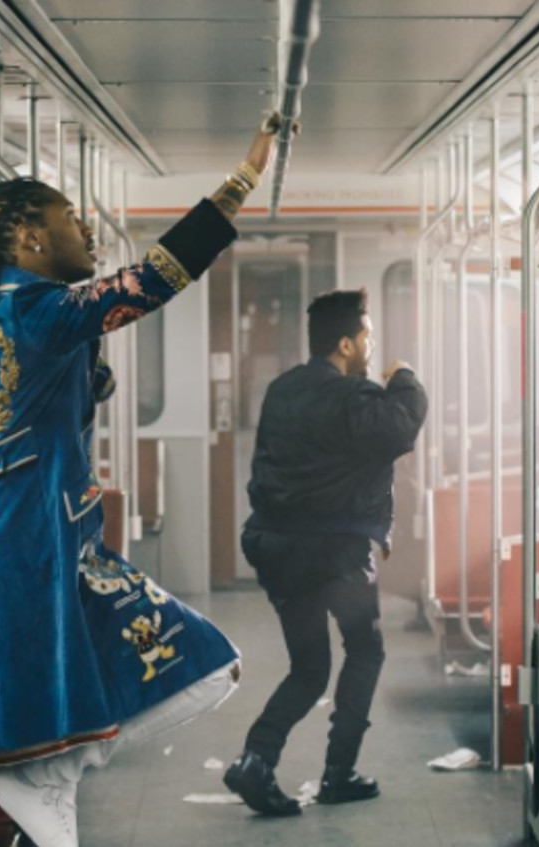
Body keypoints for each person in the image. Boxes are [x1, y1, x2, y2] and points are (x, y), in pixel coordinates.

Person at [0, 115, 284, 847]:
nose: (88, 230)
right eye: (70, 219)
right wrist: (241, 180)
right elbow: (153, 278)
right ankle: (41, 782)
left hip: (23, 528)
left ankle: (53, 776)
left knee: (192, 661)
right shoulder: (35, 312)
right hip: (26, 535)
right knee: (185, 666)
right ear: (29, 235)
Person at [223, 289, 427, 816]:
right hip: (335, 550)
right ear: (345, 343)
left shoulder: (281, 390)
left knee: (309, 666)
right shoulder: (351, 397)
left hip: (278, 545)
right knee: (365, 649)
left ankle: (256, 759)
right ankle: (339, 774)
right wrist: (404, 376)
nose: (371, 346)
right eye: (367, 338)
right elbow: (400, 428)